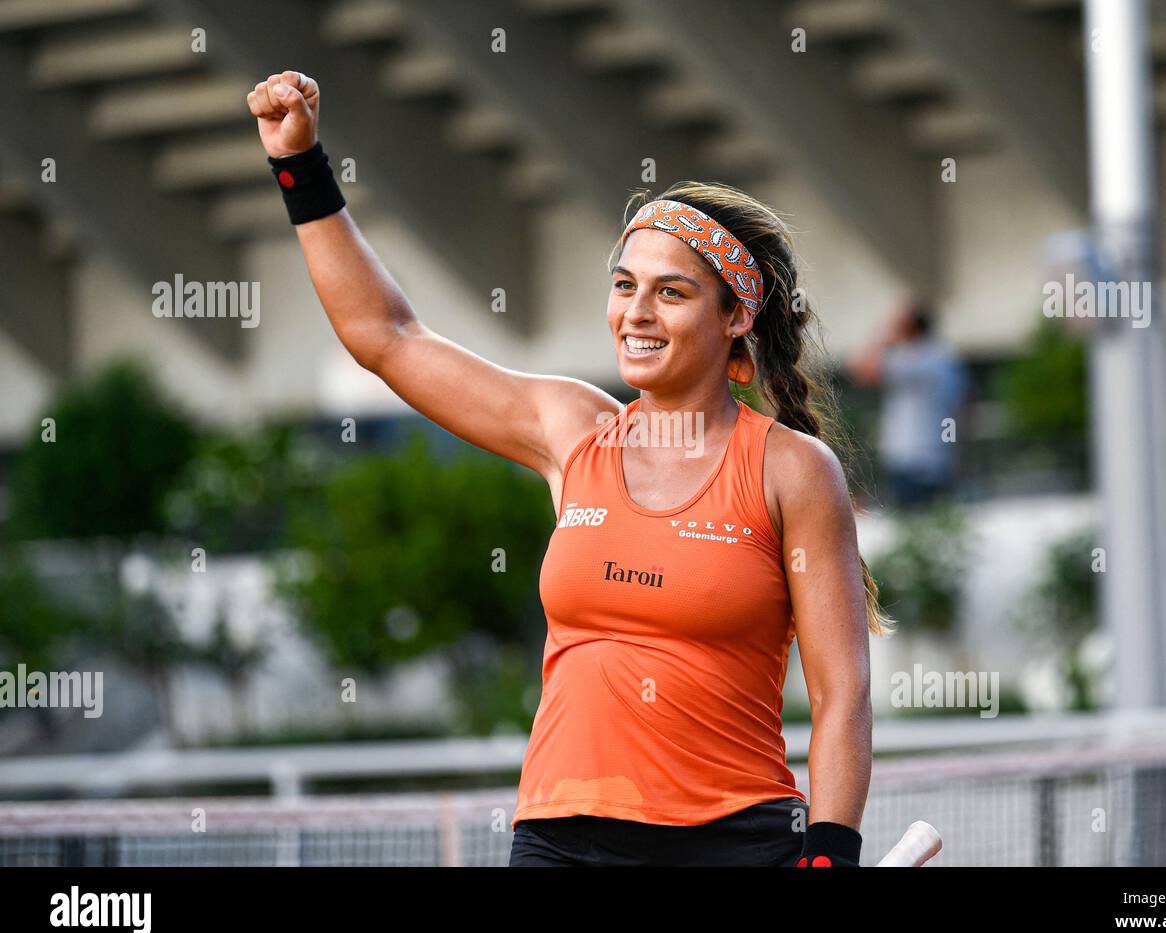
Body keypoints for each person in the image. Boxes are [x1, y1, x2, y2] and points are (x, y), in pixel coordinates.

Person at [247, 71, 889, 866]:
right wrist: (300, 166)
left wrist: (831, 854)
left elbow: (841, 695)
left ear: (736, 317)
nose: (637, 313)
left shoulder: (793, 469)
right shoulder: (572, 430)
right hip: (559, 837)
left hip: (736, 842)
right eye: (624, 287)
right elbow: (387, 338)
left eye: (672, 292)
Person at [849, 302, 967, 509]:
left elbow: (862, 371)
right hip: (935, 458)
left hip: (913, 461)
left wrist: (882, 337)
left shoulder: (917, 358)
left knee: (913, 527)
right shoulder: (943, 356)